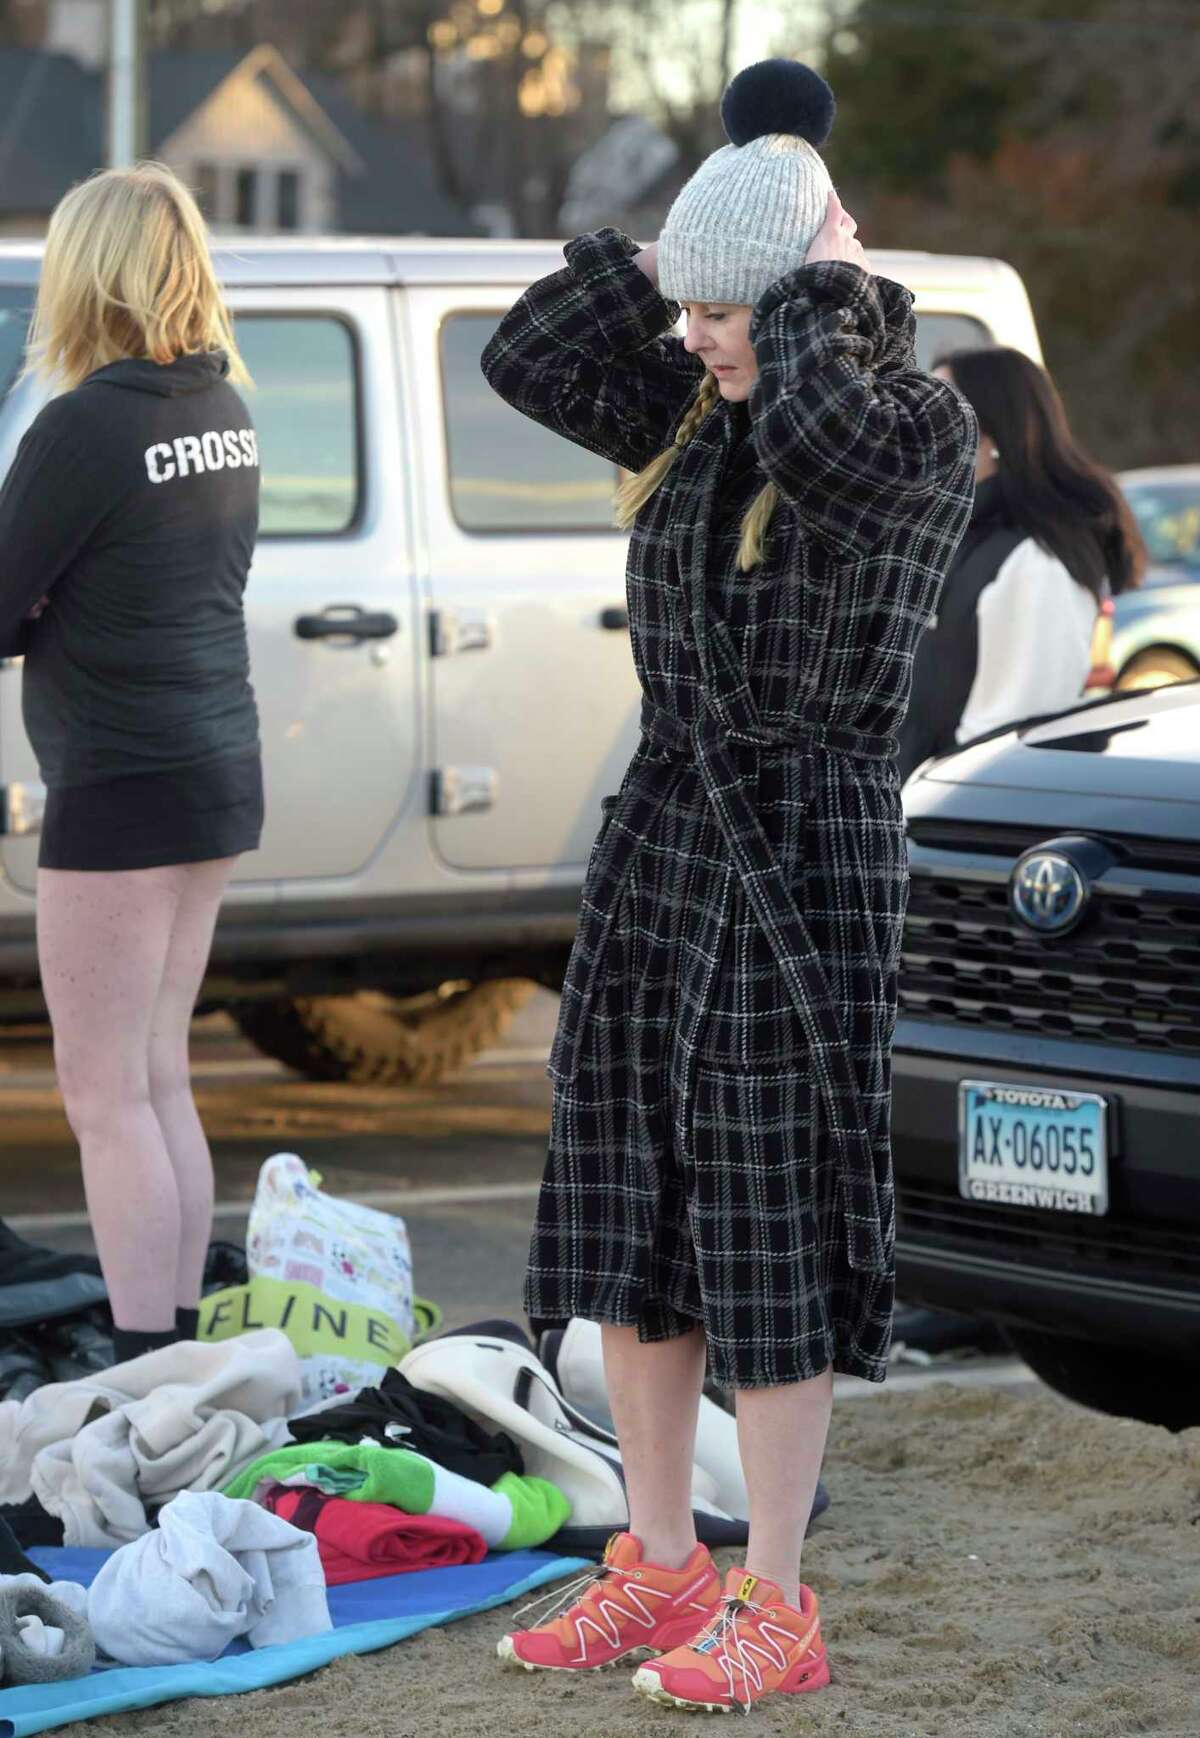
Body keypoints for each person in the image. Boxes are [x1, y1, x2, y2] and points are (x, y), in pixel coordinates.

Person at [481, 59, 976, 1713]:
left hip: (804, 845)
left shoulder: (904, 418)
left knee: (766, 1223)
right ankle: (664, 1564)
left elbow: (821, 419)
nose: (693, 334)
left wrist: (804, 270)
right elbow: (527, 351)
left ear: (808, 293)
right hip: (671, 831)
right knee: (634, 1204)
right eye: (687, 308)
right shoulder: (704, 411)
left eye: (723, 307)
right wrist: (696, 249)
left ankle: (778, 1591)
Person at [0, 163, 262, 1369]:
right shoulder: (221, 407)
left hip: (118, 778)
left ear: (85, 271)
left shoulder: (86, 423)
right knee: (159, 1075)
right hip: (213, 763)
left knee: (105, 1093)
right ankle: (184, 1347)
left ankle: (147, 1362)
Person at [897, 345, 1144, 780]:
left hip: (951, 825)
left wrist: (919, 814)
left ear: (993, 434)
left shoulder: (1037, 561)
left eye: (940, 409)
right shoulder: (946, 536)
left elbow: (1003, 738)